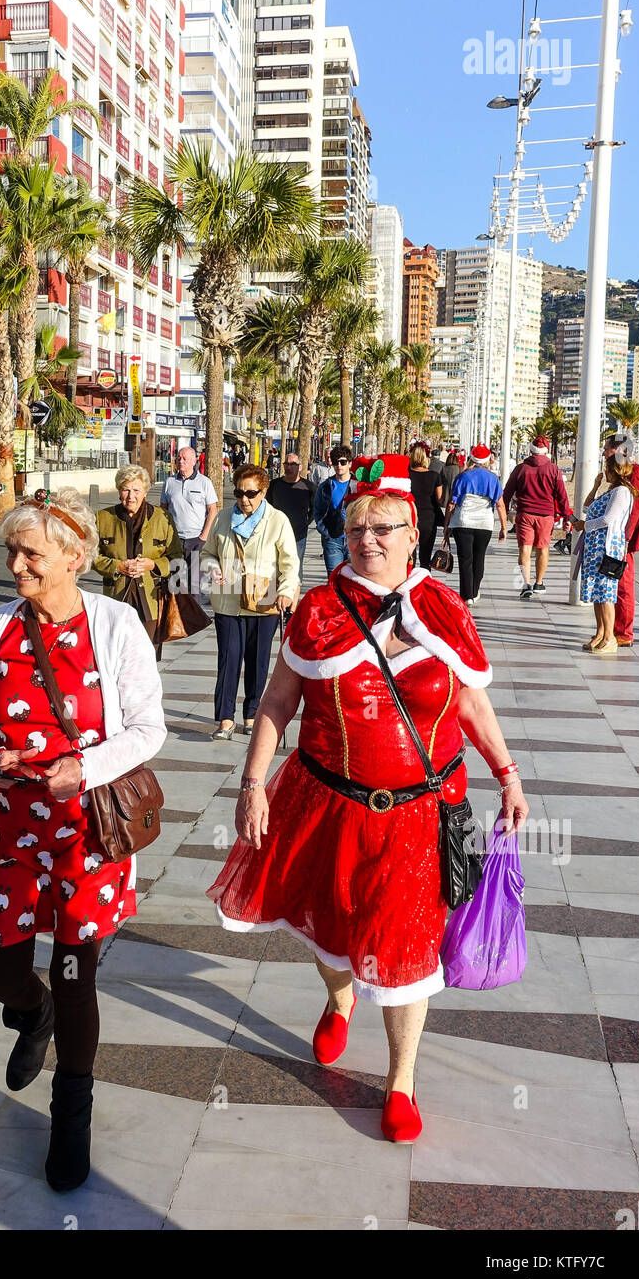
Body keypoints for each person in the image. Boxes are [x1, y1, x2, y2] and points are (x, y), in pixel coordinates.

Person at [206, 454, 528, 1143]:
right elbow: (278, 700)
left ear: (416, 533)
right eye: (356, 529)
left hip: (421, 813)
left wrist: (507, 772)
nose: (369, 540)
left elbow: (470, 699)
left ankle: (400, 1082)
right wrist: (253, 782)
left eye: (384, 527)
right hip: (329, 801)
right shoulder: (320, 609)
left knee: (409, 951)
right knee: (329, 930)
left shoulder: (445, 607)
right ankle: (339, 997)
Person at [0, 487, 166, 1191]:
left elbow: (149, 728)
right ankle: (32, 1012)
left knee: (77, 973)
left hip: (86, 834)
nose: (16, 564)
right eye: (11, 551)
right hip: (11, 829)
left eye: (31, 554)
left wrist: (85, 768)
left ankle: (70, 1113)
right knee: (0, 973)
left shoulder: (115, 626)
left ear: (74, 559)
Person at [201, 463, 300, 739]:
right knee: (228, 660)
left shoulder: (278, 520)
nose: (244, 499)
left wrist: (286, 591)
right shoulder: (222, 518)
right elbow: (207, 553)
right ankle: (224, 718)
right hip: (228, 601)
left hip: (264, 602)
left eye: (251, 493)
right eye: (239, 493)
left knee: (258, 663)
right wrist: (213, 568)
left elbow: (290, 563)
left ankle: (252, 713)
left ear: (264, 492)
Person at [94, 465, 182, 660]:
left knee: (147, 659)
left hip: (149, 602)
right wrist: (117, 566)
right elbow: (91, 557)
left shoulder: (161, 518)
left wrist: (153, 565)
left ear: (145, 492)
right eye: (126, 489)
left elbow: (177, 557)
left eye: (136, 490)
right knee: (116, 658)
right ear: (119, 491)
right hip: (115, 601)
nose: (130, 496)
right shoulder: (103, 518)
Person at [572, 452, 639, 654]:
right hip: (595, 548)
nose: (605, 472)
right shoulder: (611, 491)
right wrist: (595, 485)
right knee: (596, 593)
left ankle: (610, 637)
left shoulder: (622, 492)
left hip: (607, 549)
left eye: (607, 469)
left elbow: (608, 520)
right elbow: (587, 506)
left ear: (616, 470)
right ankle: (600, 633)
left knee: (606, 593)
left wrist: (585, 525)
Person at [501, 435, 572, 600]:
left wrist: (503, 512)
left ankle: (526, 584)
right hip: (546, 515)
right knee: (543, 548)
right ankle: (539, 583)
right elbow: (562, 496)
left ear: (531, 450)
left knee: (525, 548)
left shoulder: (521, 469)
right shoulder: (553, 469)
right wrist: (566, 517)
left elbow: (507, 492)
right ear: (546, 451)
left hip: (525, 513)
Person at [443, 444, 507, 607]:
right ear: (487, 460)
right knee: (479, 558)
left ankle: (466, 595)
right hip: (484, 523)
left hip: (463, 522)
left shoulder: (462, 477)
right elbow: (500, 504)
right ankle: (475, 591)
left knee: (465, 559)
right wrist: (504, 528)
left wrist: (446, 526)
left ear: (471, 458)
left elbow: (451, 503)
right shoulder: (492, 478)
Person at [603, 433, 639, 646]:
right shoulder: (624, 473)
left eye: (607, 449)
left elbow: (635, 510)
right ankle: (614, 629)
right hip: (618, 540)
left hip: (623, 543)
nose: (604, 453)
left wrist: (626, 539)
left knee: (623, 587)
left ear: (621, 451)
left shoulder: (635, 473)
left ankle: (624, 633)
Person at [160, 445, 219, 597]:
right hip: (175, 540)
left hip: (196, 540)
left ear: (194, 461)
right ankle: (176, 618)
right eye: (179, 458)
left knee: (194, 585)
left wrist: (203, 537)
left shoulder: (204, 482)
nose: (181, 461)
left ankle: (192, 619)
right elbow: (163, 510)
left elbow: (213, 510)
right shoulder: (169, 482)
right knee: (176, 583)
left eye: (185, 458)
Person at [267, 451, 315, 578]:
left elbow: (314, 509)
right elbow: (268, 506)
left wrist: (306, 522)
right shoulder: (274, 485)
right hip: (276, 534)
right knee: (275, 567)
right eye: (286, 464)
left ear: (299, 466)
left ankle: (293, 595)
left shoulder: (308, 487)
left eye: (293, 464)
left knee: (295, 567)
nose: (289, 467)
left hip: (298, 534)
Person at [314, 444, 353, 575]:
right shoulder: (325, 486)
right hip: (332, 540)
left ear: (350, 464)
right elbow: (318, 512)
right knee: (334, 579)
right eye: (336, 462)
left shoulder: (357, 485)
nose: (339, 465)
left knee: (354, 580)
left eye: (343, 462)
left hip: (354, 539)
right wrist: (326, 533)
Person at [408, 443, 444, 568]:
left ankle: (409, 582)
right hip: (429, 518)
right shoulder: (434, 476)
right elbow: (440, 499)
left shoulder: (406, 475)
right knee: (425, 556)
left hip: (409, 517)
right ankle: (424, 582)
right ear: (426, 457)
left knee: (409, 555)